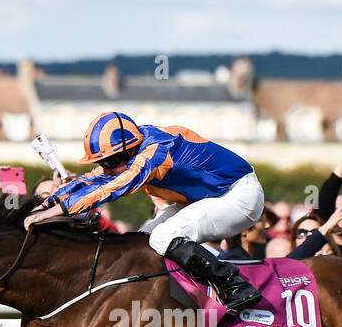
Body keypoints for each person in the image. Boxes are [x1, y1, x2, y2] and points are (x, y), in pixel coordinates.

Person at [26, 111, 265, 311]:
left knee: (163, 237)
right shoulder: (132, 148)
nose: (105, 168)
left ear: (129, 151)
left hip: (239, 195)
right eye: (102, 162)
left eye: (109, 162)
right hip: (206, 197)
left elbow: (113, 187)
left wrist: (54, 211)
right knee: (140, 241)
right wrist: (47, 203)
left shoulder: (155, 151)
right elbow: (94, 179)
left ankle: (235, 285)